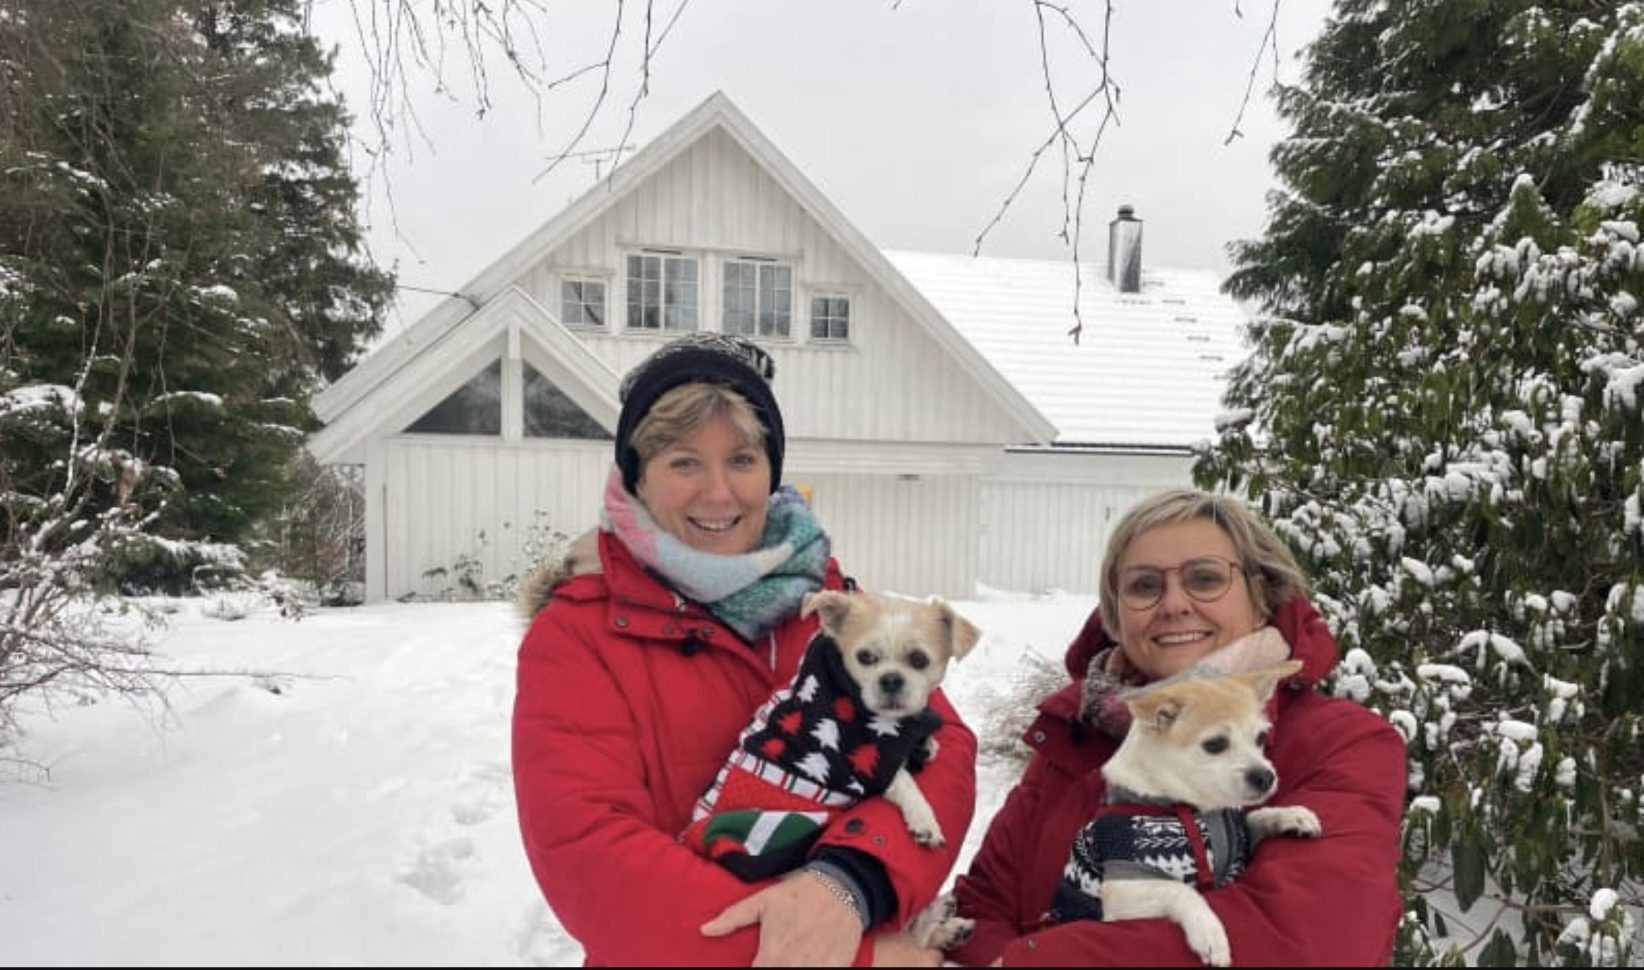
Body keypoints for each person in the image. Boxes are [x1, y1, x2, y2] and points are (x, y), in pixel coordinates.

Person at [512, 332, 974, 967]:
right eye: (683, 461)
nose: (719, 491)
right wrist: (857, 958)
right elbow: (590, 855)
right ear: (638, 476)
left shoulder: (835, 607)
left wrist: (852, 884)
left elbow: (940, 749)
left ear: (771, 470)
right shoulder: (580, 636)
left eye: (742, 459)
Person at [947, 489, 1405, 966]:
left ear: (1262, 596)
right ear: (1116, 617)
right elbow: (980, 912)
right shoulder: (1077, 738)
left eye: (1205, 578)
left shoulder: (1342, 742)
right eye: (1144, 586)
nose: (1173, 603)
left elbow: (1309, 940)